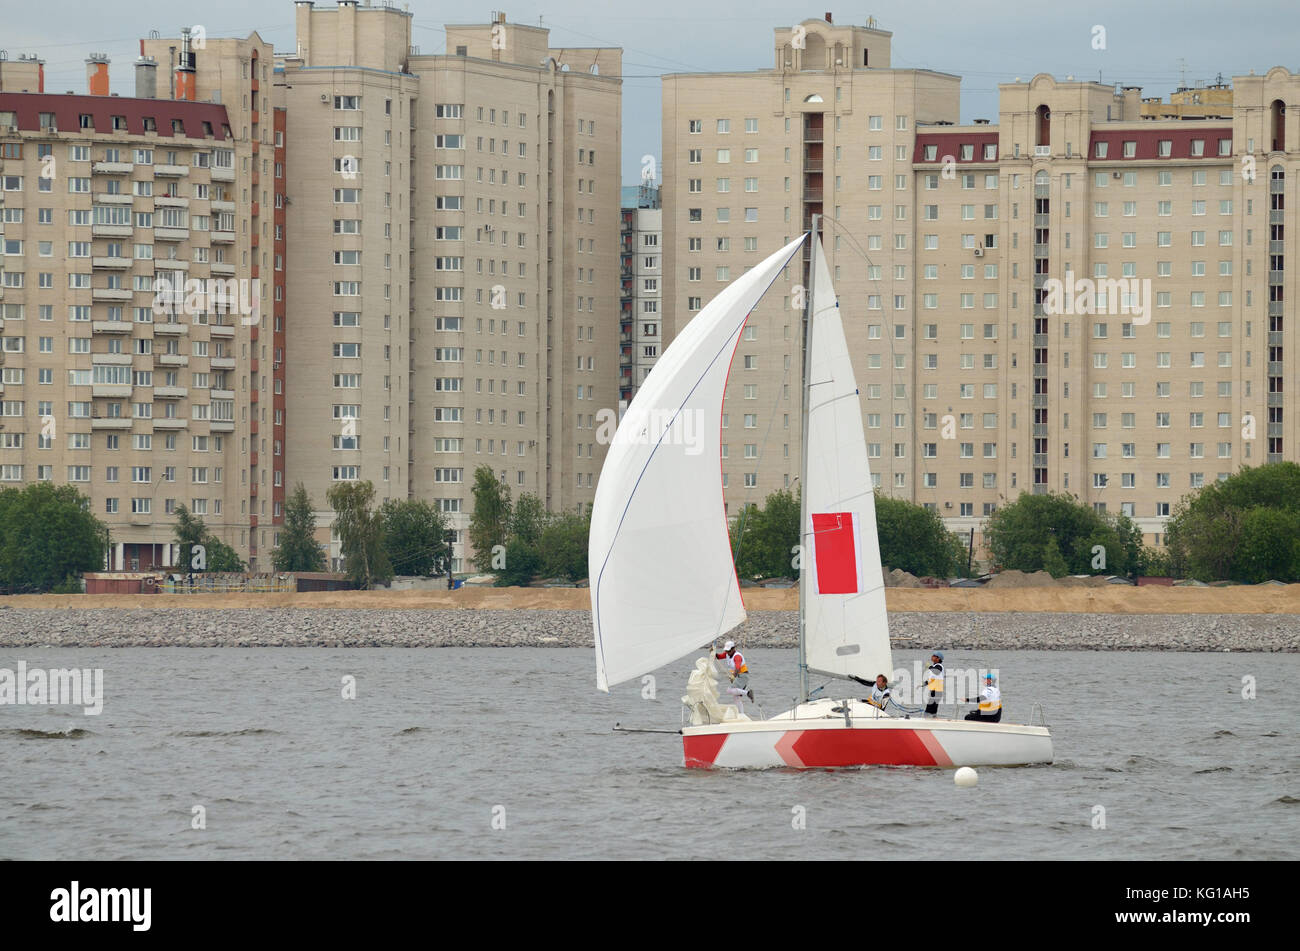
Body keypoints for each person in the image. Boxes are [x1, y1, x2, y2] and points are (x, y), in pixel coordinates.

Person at [714, 640, 754, 706]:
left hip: (742, 676)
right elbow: (719, 657)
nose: (727, 652)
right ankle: (741, 714)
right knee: (736, 698)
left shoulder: (737, 656)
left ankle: (748, 693)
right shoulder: (727, 654)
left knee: (729, 690)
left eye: (729, 651)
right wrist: (713, 653)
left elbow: (737, 668)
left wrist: (733, 676)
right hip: (737, 676)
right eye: (726, 651)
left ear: (733, 649)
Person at [923, 651, 944, 717]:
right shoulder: (933, 666)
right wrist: (924, 683)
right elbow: (932, 678)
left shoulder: (939, 666)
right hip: (933, 690)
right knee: (931, 710)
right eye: (932, 655)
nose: (932, 657)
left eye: (934, 656)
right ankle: (932, 719)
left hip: (937, 691)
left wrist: (929, 667)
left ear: (938, 659)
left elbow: (937, 672)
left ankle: (928, 721)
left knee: (929, 709)